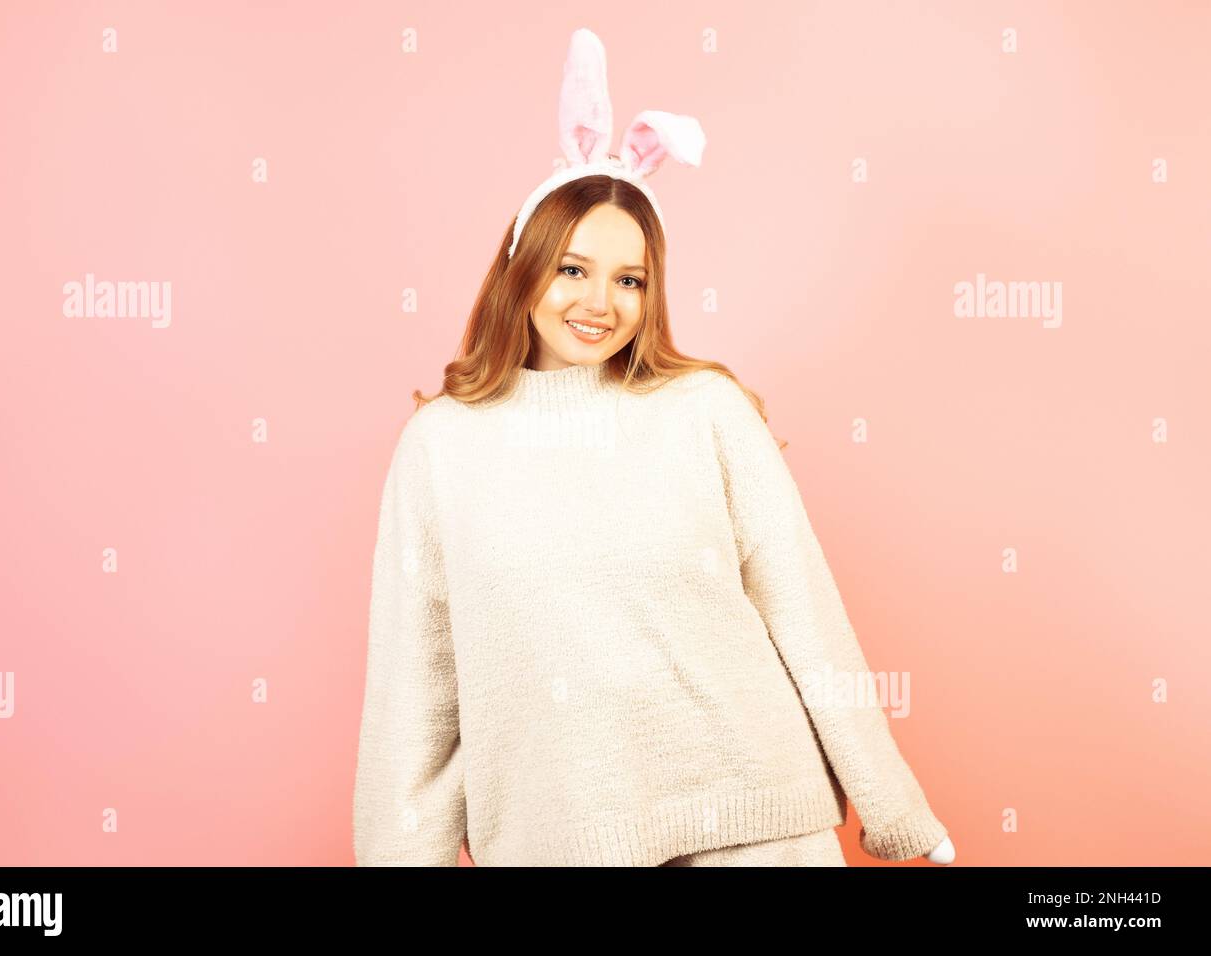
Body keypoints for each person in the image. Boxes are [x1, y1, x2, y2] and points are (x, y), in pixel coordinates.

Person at [352, 28, 951, 868]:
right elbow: (416, 691)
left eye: (630, 279)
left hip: (758, 828)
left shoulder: (706, 411)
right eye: (572, 269)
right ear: (520, 270)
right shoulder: (441, 448)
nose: (601, 301)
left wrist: (892, 805)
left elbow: (805, 614)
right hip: (555, 840)